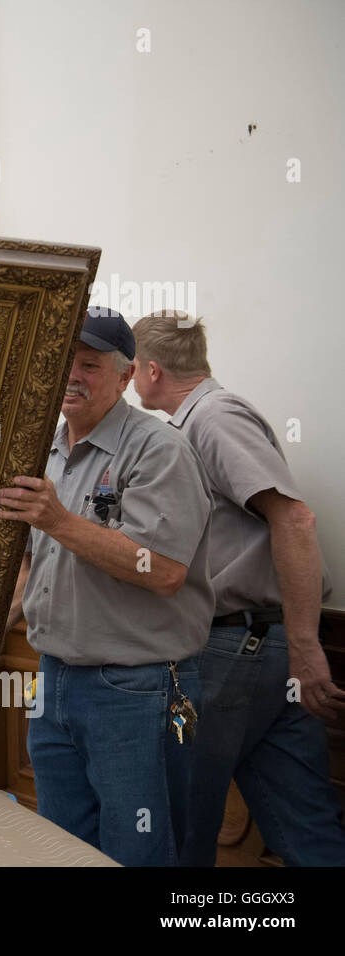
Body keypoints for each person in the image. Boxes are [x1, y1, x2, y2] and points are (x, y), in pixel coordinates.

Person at [0, 309, 214, 866]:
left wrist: (59, 521)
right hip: (53, 679)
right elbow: (33, 566)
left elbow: (163, 570)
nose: (72, 376)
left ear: (126, 377)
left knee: (138, 852)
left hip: (135, 688)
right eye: (63, 362)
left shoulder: (158, 448)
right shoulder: (42, 448)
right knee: (64, 847)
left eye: (90, 365)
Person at [131, 310, 345, 866]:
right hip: (257, 651)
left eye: (131, 367)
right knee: (306, 825)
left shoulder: (213, 419)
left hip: (236, 650)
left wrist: (304, 647)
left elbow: (294, 519)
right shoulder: (201, 420)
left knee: (182, 823)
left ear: (151, 370)